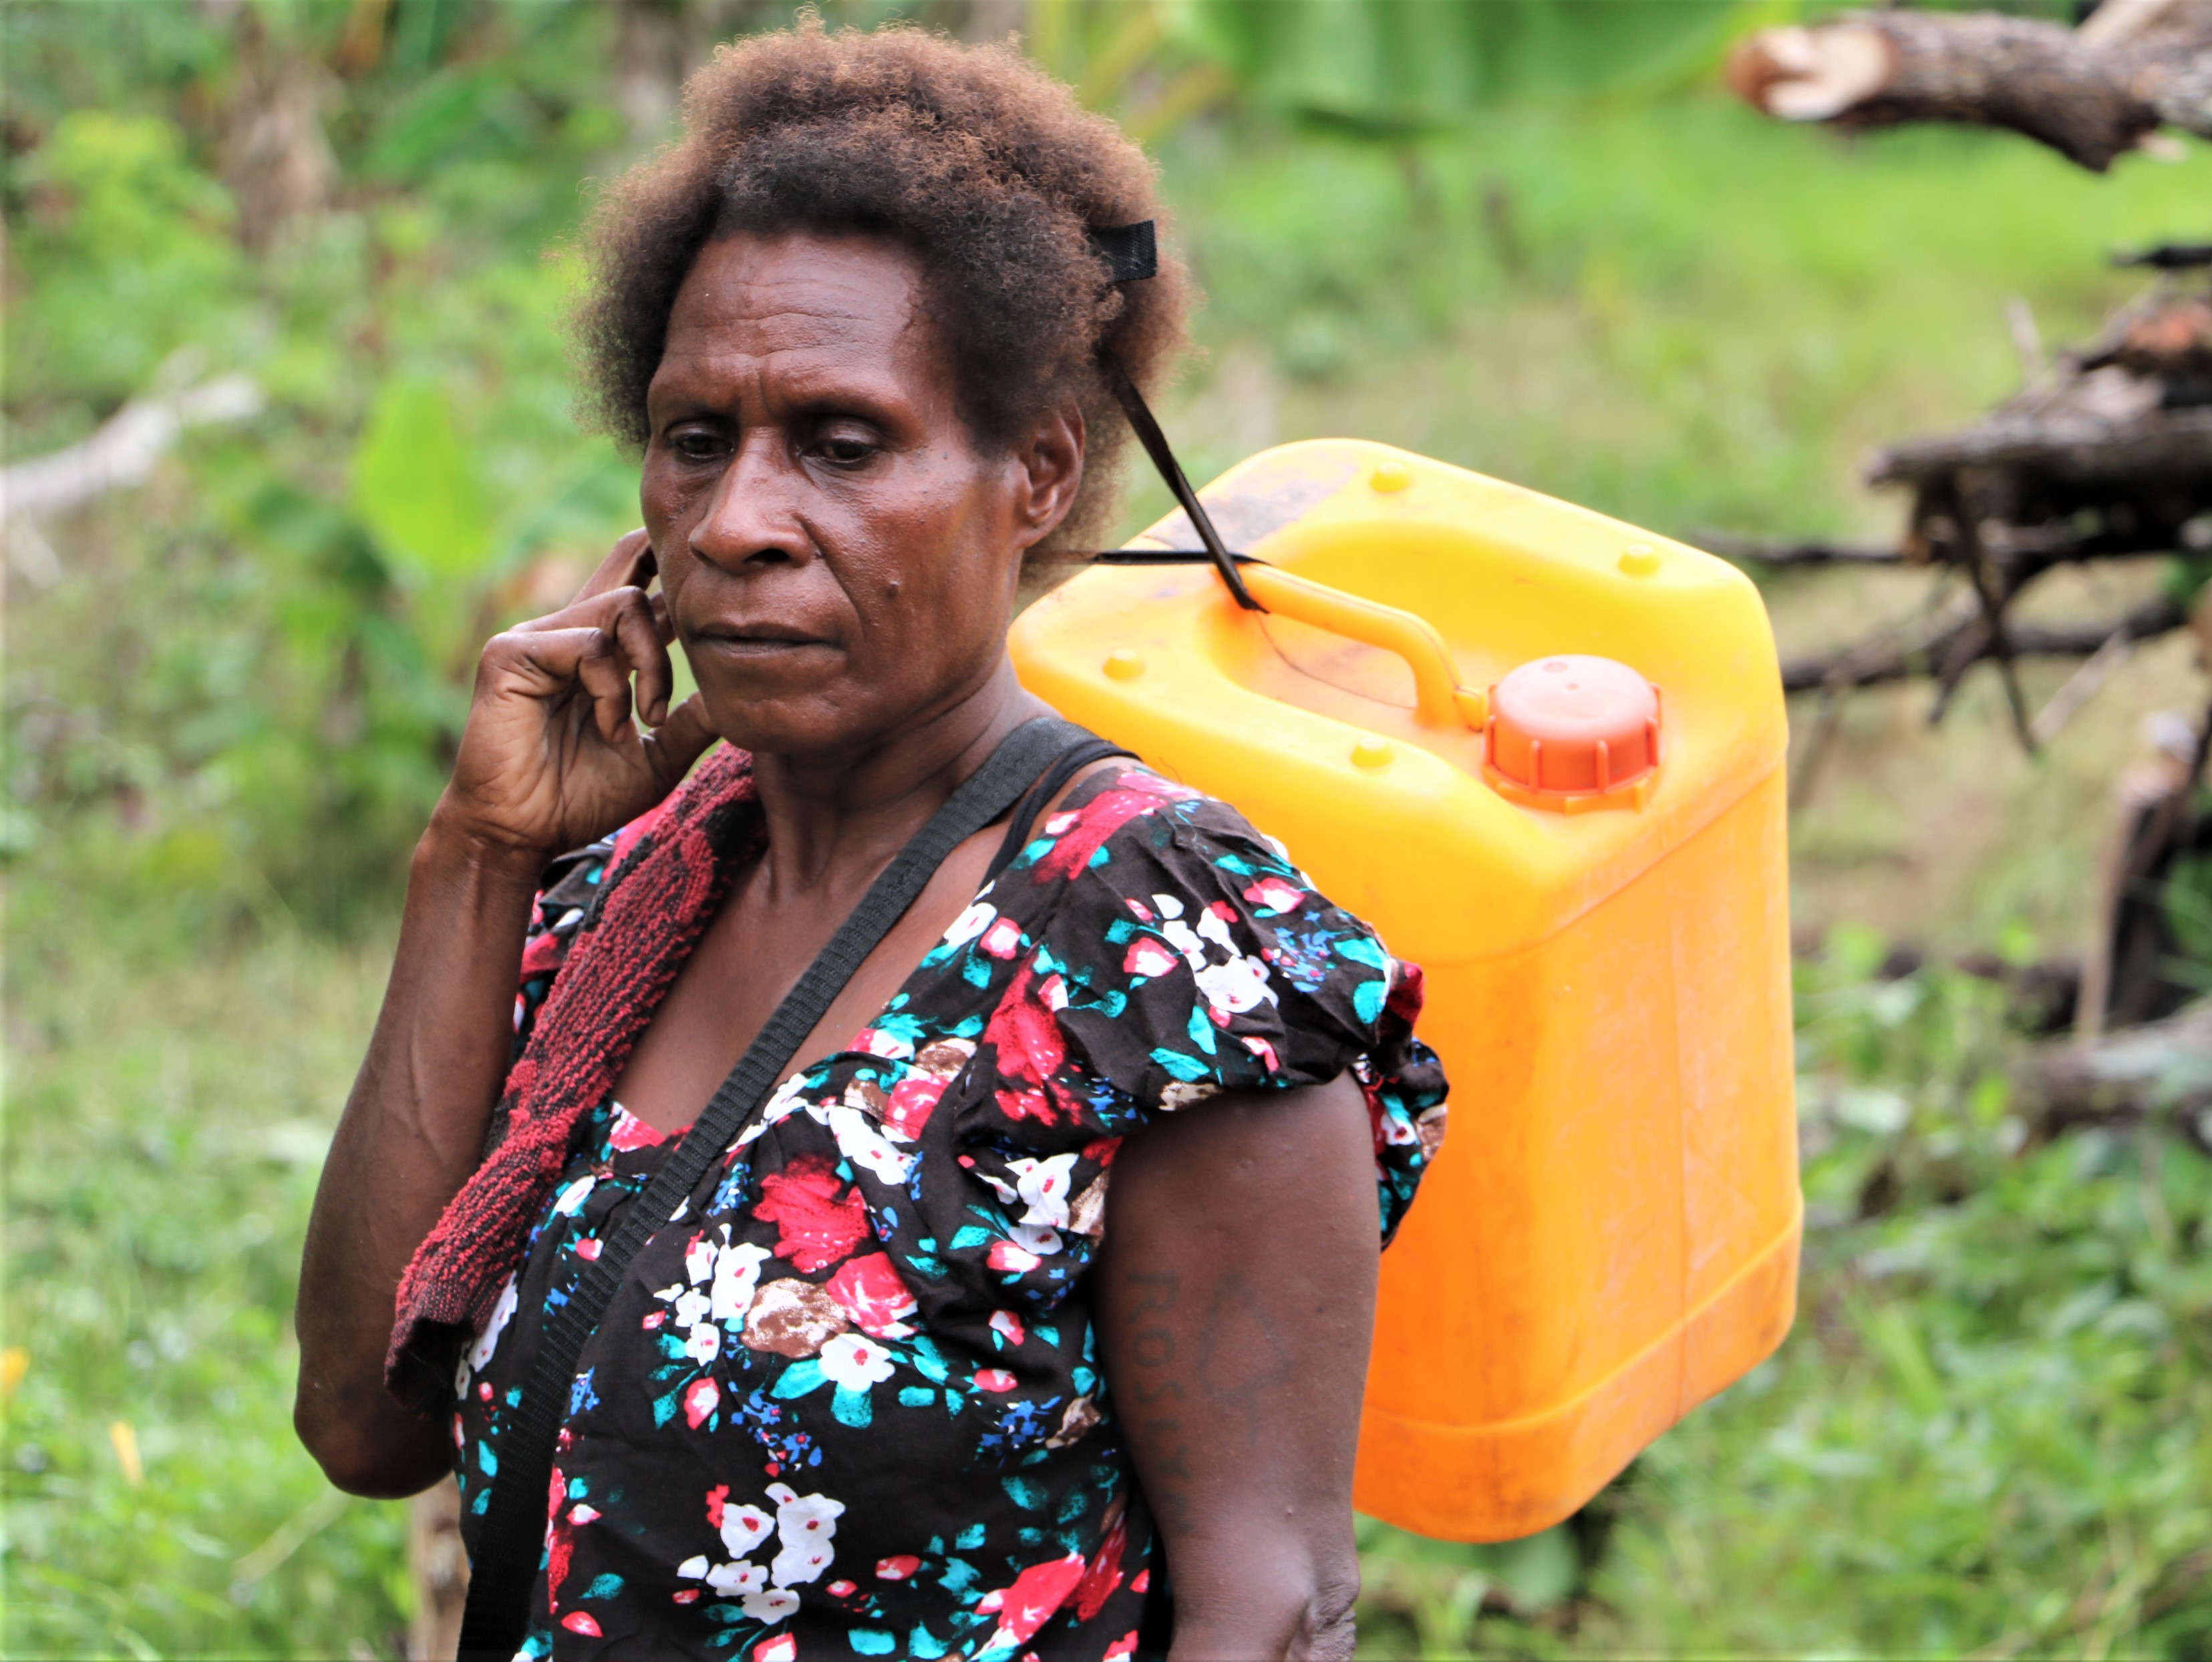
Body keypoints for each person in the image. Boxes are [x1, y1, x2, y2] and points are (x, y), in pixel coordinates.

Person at [291, 21, 1445, 1662]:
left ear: (1035, 473)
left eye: (842, 444)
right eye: (698, 438)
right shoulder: (630, 895)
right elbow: (361, 1419)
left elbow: (1276, 1603)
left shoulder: (1162, 960)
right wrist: (476, 854)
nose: (740, 520)